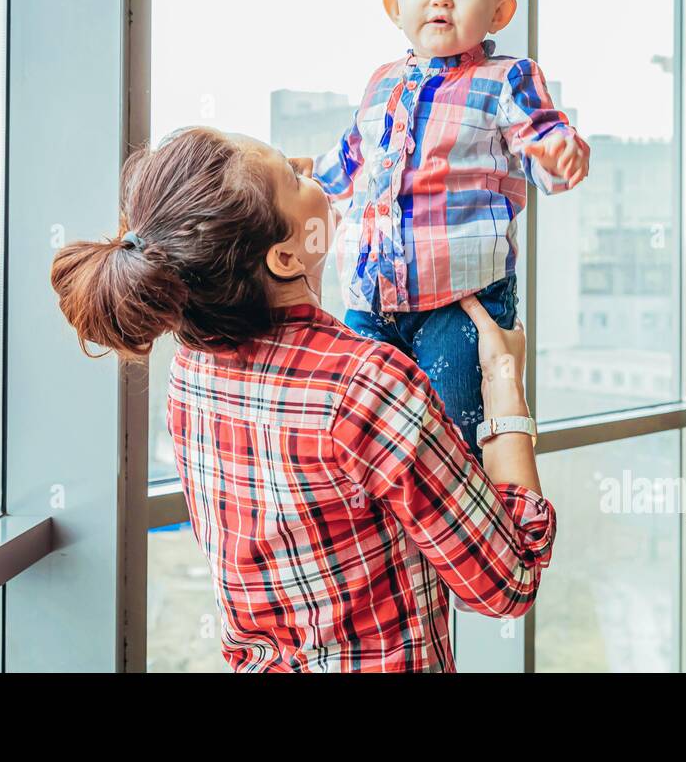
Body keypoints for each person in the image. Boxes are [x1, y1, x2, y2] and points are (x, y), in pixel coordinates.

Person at [50, 125, 556, 672]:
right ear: (286, 258)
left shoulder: (192, 369)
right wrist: (504, 379)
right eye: (291, 177)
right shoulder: (368, 385)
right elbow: (508, 582)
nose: (309, 165)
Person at [298, 0, 591, 465]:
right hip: (370, 300)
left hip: (462, 301)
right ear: (394, 6)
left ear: (500, 12)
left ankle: (446, 544)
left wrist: (560, 153)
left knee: (451, 438)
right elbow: (352, 159)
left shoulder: (506, 77)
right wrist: (305, 177)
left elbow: (544, 140)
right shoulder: (381, 82)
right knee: (364, 434)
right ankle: (386, 540)